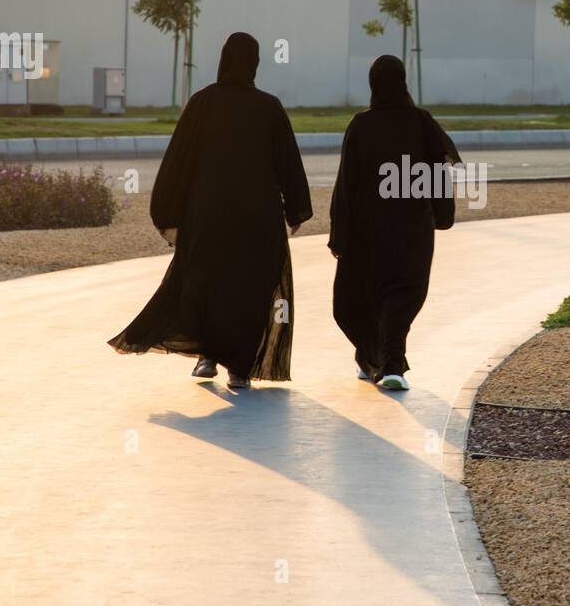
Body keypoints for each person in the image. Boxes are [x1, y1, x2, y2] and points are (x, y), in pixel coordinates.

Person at [108, 32, 312, 387]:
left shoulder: (203, 103)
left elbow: (179, 162)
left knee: (207, 284)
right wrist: (296, 210)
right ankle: (239, 368)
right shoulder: (269, 107)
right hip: (257, 219)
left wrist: (167, 215)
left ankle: (208, 356)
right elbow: (288, 164)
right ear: (255, 63)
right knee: (249, 290)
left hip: (208, 217)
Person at [328, 55, 461, 390]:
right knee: (401, 294)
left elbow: (347, 184)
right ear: (403, 82)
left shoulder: (361, 125)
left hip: (367, 231)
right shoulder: (421, 122)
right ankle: (382, 362)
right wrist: (442, 216)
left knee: (360, 297)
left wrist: (340, 234)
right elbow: (436, 174)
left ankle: (386, 362)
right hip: (410, 230)